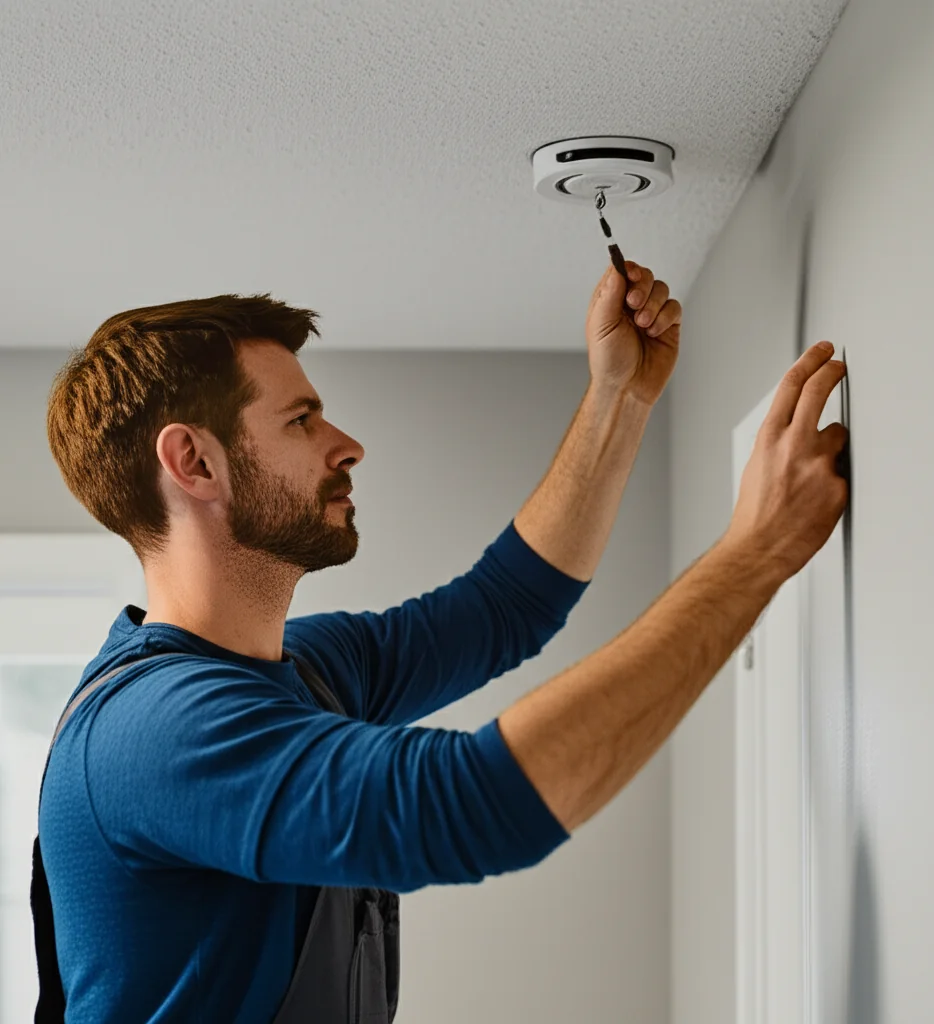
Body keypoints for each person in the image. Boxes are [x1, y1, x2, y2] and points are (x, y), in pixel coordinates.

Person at [36, 259, 846, 1023]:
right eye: (301, 418)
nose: (345, 443)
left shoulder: (303, 673)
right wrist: (757, 553)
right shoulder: (155, 733)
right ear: (195, 463)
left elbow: (503, 608)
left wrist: (619, 398)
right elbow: (469, 806)